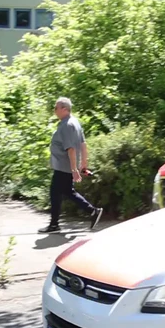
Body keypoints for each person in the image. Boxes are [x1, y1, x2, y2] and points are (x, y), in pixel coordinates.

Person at [39, 97, 104, 234]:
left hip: (64, 166)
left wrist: (75, 169)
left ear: (64, 109)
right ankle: (57, 223)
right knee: (64, 192)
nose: (54, 110)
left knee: (59, 192)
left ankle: (91, 211)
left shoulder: (67, 125)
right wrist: (83, 165)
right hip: (65, 166)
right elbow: (83, 145)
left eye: (56, 108)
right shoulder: (74, 122)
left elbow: (71, 149)